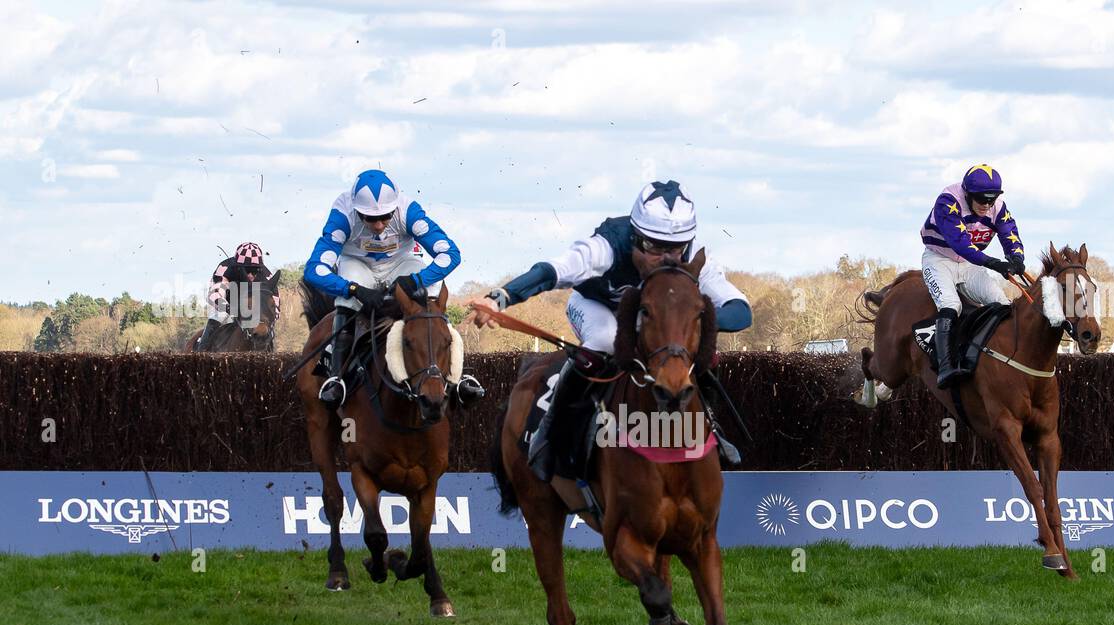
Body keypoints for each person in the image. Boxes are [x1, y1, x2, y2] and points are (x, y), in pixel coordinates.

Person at [468, 179, 752, 481]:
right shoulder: (605, 247)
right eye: (654, 247)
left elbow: (739, 309)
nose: (667, 259)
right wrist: (502, 297)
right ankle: (550, 435)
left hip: (656, 322)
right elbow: (552, 271)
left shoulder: (697, 261)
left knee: (693, 349)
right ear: (635, 236)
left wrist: (688, 323)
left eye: (676, 248)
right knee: (605, 341)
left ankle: (710, 428)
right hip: (596, 307)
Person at [303, 169, 482, 409]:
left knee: (432, 290)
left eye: (385, 216)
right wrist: (353, 289)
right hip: (358, 265)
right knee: (346, 301)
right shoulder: (342, 214)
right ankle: (336, 379)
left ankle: (456, 379)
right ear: (356, 210)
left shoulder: (409, 211)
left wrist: (417, 280)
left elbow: (450, 253)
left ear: (395, 208)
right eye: (369, 218)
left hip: (400, 263)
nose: (378, 225)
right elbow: (314, 269)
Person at [920, 164, 1026, 388]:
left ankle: (989, 357)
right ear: (967, 193)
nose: (987, 206)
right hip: (939, 259)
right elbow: (961, 244)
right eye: (981, 200)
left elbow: (1010, 233)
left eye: (992, 199)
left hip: (969, 264)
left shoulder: (997, 207)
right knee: (950, 305)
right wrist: (995, 263)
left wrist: (1016, 258)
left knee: (1002, 304)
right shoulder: (947, 201)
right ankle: (945, 368)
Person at [197, 242, 275, 350]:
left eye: (255, 270)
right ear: (238, 267)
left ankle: (272, 356)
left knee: (266, 323)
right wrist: (228, 308)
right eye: (247, 270)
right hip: (227, 303)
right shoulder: (225, 268)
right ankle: (201, 353)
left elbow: (275, 300)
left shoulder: (265, 274)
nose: (251, 275)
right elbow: (215, 293)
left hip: (251, 306)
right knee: (219, 315)